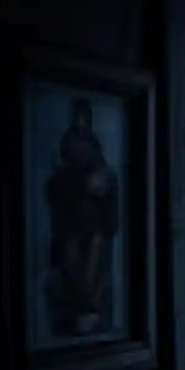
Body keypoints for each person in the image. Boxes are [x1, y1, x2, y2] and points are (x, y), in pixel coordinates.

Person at [45, 98, 120, 336]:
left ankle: (89, 306)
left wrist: (100, 185)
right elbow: (61, 182)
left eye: (84, 118)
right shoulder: (68, 146)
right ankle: (78, 307)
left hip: (93, 223)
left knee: (94, 258)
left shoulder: (94, 148)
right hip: (72, 223)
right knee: (72, 261)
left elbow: (104, 180)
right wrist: (82, 184)